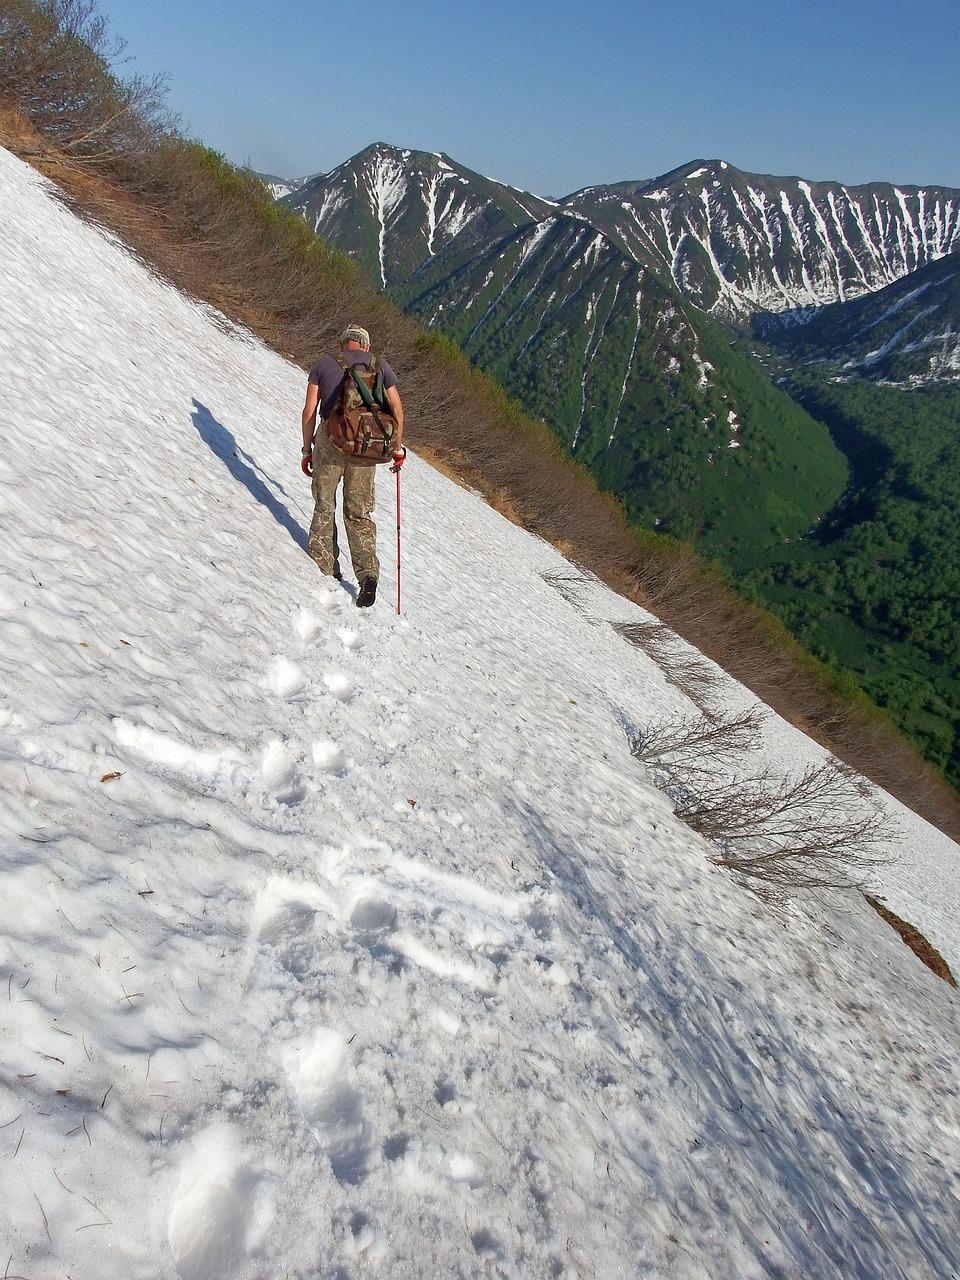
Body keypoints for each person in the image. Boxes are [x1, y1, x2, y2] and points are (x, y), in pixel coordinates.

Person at [300, 325, 405, 608]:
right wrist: (395, 449)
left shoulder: (325, 364)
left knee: (325, 504)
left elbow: (310, 411)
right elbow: (397, 409)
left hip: (330, 444)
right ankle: (368, 574)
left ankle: (326, 567)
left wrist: (306, 449)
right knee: (359, 513)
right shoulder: (381, 366)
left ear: (342, 344)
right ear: (366, 347)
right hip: (364, 448)